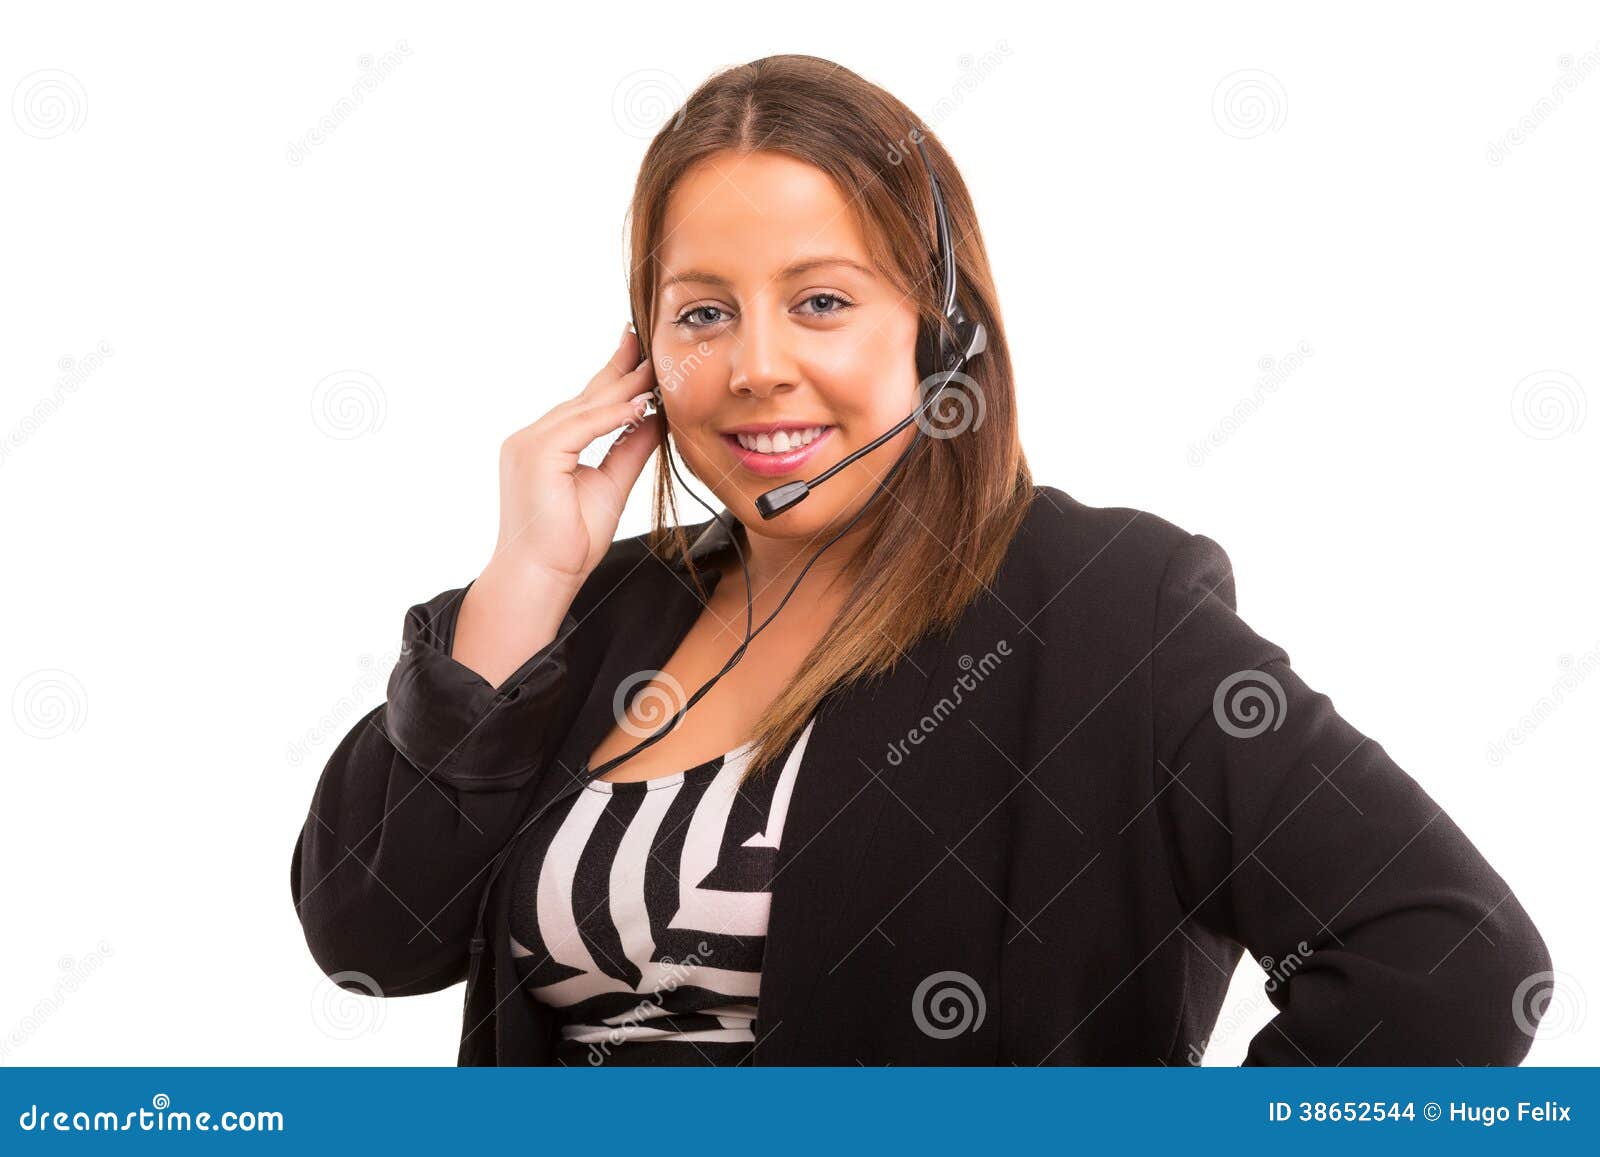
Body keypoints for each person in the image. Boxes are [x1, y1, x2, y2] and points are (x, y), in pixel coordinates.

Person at [289, 54, 1553, 1066]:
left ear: (938, 336)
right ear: (645, 357)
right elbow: (371, 934)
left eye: (822, 300)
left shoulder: (1108, 612)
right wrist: (522, 585)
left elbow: (1449, 959)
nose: (756, 365)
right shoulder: (604, 614)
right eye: (703, 311)